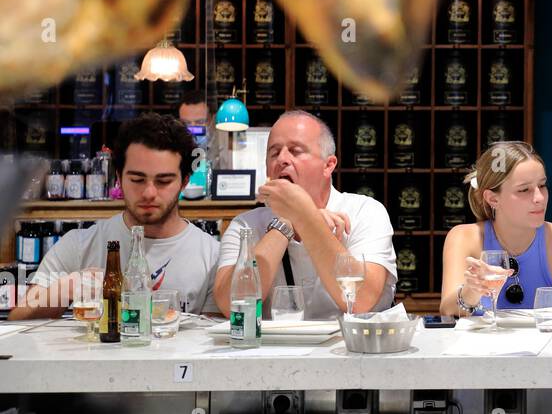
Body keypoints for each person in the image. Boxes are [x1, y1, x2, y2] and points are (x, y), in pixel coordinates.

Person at [10, 114, 221, 319]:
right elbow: (18, 320)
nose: (149, 192)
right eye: (137, 180)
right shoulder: (79, 245)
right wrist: (67, 287)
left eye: (163, 181)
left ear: (184, 182)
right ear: (119, 178)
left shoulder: (211, 256)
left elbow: (209, 340)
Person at [214, 111, 396, 319]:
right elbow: (230, 306)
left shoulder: (366, 212)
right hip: (272, 349)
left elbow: (361, 299)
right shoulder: (245, 225)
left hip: (351, 348)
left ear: (328, 165)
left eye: (295, 151)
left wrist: (308, 220)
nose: (282, 159)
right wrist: (288, 222)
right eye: (274, 153)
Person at [440, 141, 552, 318]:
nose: (539, 198)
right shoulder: (463, 238)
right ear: (493, 198)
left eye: (542, 185)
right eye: (524, 190)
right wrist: (472, 290)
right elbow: (447, 310)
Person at [178, 88, 225, 174]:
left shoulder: (225, 145)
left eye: (200, 122)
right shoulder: (175, 145)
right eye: (186, 123)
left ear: (212, 120)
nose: (193, 129)